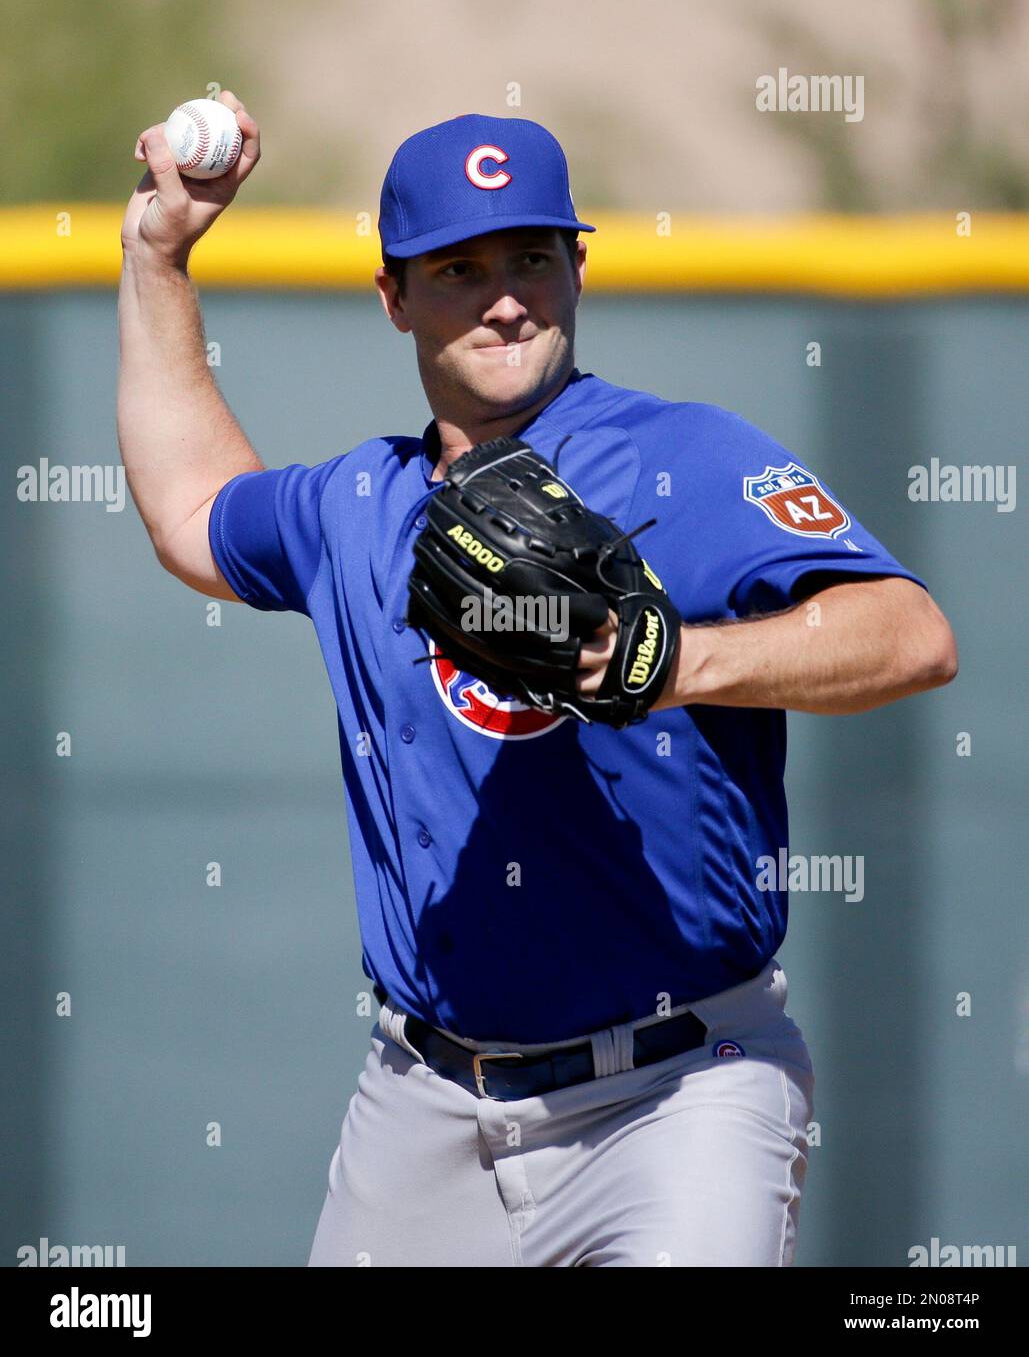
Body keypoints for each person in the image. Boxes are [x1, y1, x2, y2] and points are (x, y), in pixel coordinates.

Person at [118, 95, 958, 1267]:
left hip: (677, 1090)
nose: (506, 295)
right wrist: (157, 257)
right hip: (425, 1103)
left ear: (576, 266)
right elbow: (191, 510)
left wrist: (683, 659)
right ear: (394, 296)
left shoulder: (687, 455)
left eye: (533, 256)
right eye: (459, 269)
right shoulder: (357, 505)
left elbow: (910, 632)